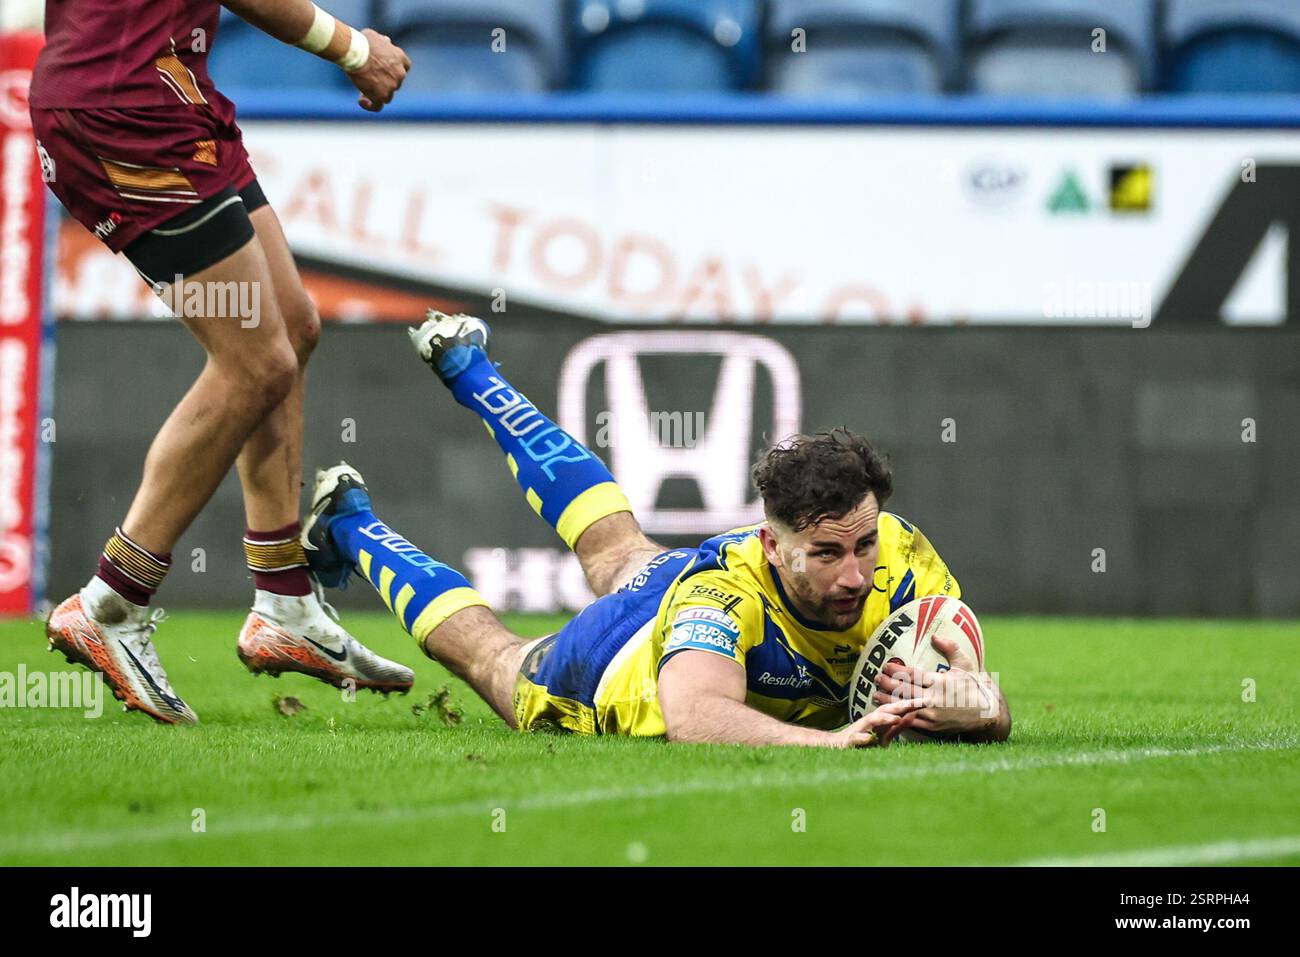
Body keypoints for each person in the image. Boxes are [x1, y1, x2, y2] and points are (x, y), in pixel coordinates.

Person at [301, 312, 1012, 747]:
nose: (856, 572)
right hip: (617, 663)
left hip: (676, 579)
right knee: (494, 658)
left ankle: (473, 370)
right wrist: (833, 742)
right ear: (773, 544)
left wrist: (976, 708)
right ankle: (353, 526)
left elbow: (986, 697)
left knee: (615, 546)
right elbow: (697, 716)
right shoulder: (725, 597)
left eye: (864, 543)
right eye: (826, 553)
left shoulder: (905, 555)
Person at [35, 0, 416, 723]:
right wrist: (352, 48)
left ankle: (284, 600)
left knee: (292, 328)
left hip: (171, 92)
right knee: (253, 362)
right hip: (125, 108)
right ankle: (111, 599)